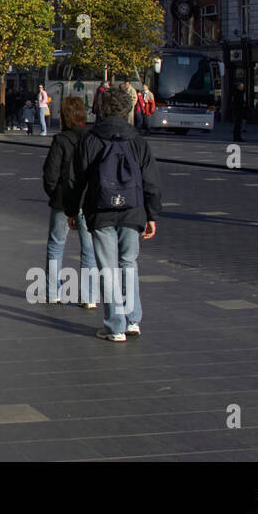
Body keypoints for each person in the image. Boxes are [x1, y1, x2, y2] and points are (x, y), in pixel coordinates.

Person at [66, 85, 163, 342]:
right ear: (128, 109)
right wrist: (152, 214)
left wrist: (72, 210)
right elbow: (151, 182)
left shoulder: (91, 139)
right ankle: (133, 319)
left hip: (101, 210)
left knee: (107, 268)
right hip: (133, 210)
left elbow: (76, 179)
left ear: (101, 108)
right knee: (128, 263)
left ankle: (114, 325)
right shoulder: (138, 141)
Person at [42, 96, 97, 308]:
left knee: (56, 245)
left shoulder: (61, 140)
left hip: (63, 200)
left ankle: (52, 291)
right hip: (88, 200)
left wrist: (55, 194)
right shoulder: (92, 139)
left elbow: (50, 173)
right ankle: (89, 296)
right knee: (89, 249)